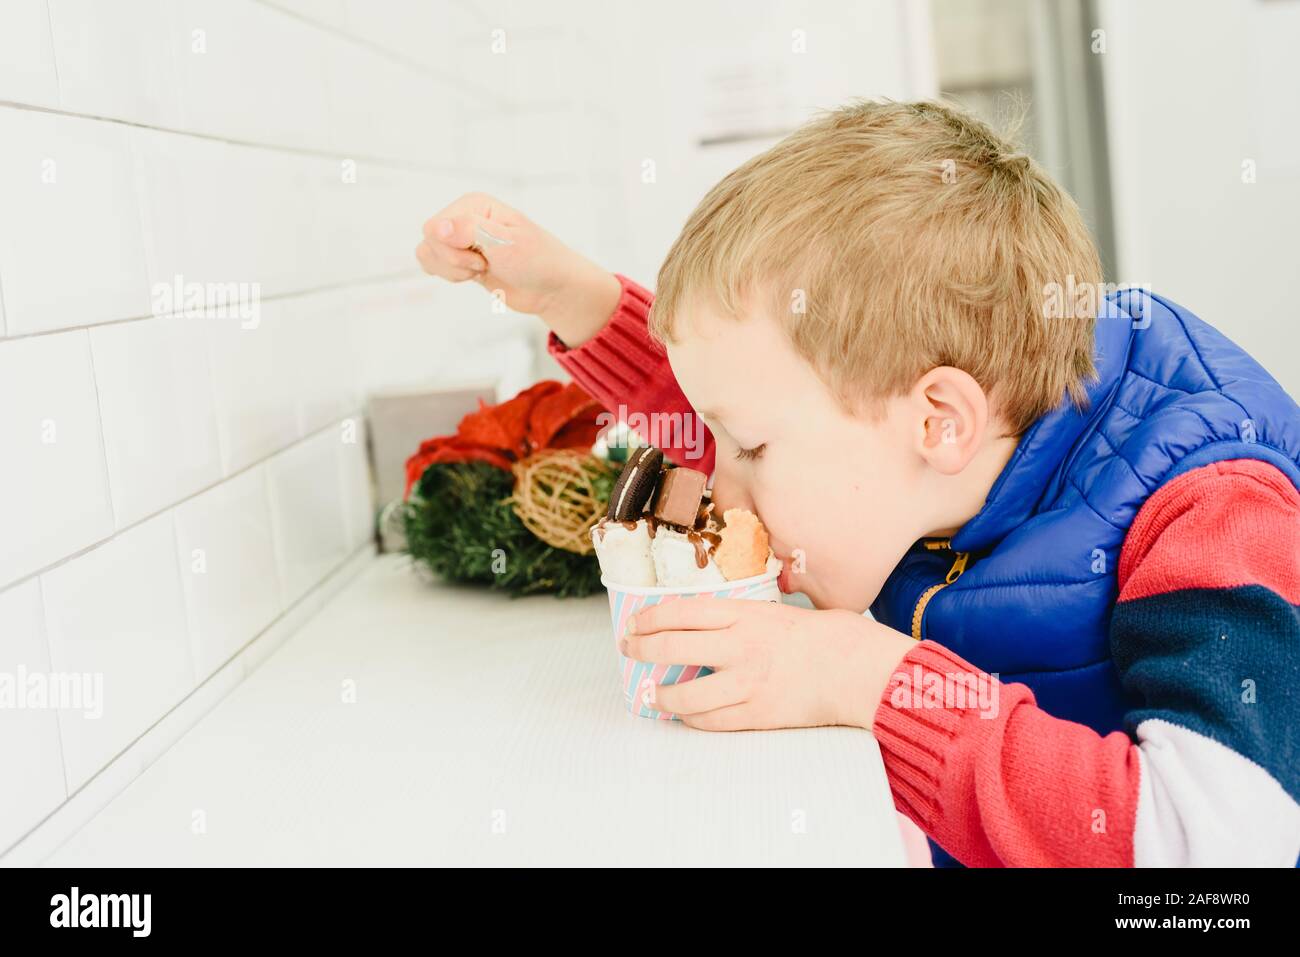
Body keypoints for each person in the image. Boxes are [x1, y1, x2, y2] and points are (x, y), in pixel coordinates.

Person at [415, 99, 1300, 867]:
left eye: (751, 450)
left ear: (937, 422)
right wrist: (573, 297)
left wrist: (877, 681)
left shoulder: (1212, 508)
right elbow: (747, 396)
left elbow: (1216, 853)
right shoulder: (943, 418)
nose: (722, 494)